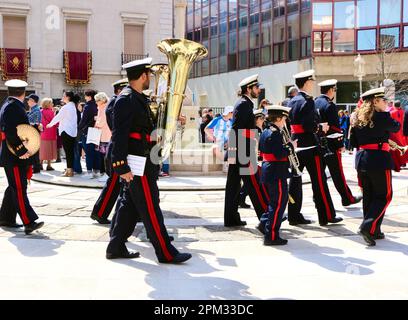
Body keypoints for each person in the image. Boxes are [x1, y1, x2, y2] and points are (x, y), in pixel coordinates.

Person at [107, 58, 190, 263]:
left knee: (130, 206)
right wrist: (121, 165)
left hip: (143, 159)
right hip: (137, 163)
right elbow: (119, 135)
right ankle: (166, 252)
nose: (150, 79)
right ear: (143, 76)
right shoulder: (126, 99)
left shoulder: (137, 98)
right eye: (149, 75)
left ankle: (115, 246)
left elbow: (145, 128)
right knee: (151, 207)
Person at [288, 70, 342, 226]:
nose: (313, 84)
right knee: (319, 183)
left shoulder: (291, 101)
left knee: (295, 182)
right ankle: (326, 215)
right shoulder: (308, 101)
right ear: (306, 82)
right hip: (311, 147)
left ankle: (293, 215)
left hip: (297, 146)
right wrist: (320, 127)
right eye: (311, 81)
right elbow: (308, 125)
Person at [350, 87, 400, 246]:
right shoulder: (383, 116)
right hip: (378, 159)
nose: (386, 103)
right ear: (375, 101)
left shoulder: (357, 118)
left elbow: (353, 143)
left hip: (363, 159)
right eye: (383, 100)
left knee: (369, 197)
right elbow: (396, 127)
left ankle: (374, 230)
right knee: (384, 195)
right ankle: (367, 227)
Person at [224, 74, 269, 227]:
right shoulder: (244, 104)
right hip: (242, 147)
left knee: (234, 186)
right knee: (254, 185)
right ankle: (266, 218)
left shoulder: (243, 103)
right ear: (249, 89)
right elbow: (239, 129)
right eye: (256, 87)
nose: (258, 90)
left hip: (237, 147)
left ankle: (231, 218)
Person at [0, 79, 44, 234]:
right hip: (14, 155)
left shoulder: (10, 105)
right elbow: (11, 131)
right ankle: (29, 221)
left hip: (11, 154)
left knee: (13, 187)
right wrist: (21, 151)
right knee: (19, 187)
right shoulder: (13, 107)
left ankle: (5, 217)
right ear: (23, 93)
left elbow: (18, 128)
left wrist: (32, 127)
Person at [315, 79, 362, 207]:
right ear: (330, 90)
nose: (334, 92)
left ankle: (317, 197)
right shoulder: (329, 105)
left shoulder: (314, 103)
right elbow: (335, 128)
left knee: (319, 175)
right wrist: (340, 144)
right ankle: (347, 198)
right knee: (337, 174)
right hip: (330, 145)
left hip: (318, 144)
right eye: (335, 90)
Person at [91, 79, 128, 225]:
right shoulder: (115, 103)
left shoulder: (114, 102)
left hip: (116, 146)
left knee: (116, 183)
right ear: (119, 89)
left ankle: (101, 212)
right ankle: (99, 213)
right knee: (113, 183)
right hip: (116, 147)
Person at [258, 105, 296, 245]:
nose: (285, 121)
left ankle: (264, 223)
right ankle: (271, 235)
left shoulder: (266, 131)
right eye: (284, 118)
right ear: (279, 118)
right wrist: (291, 146)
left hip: (270, 169)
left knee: (275, 202)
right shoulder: (275, 133)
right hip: (276, 171)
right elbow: (280, 153)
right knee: (279, 203)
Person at [47, 91, 78, 177]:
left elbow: (58, 117)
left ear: (67, 97)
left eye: (63, 96)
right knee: (70, 152)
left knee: (68, 152)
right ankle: (69, 169)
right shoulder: (73, 106)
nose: (62, 97)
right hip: (72, 132)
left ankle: (69, 171)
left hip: (66, 131)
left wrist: (50, 124)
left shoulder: (66, 107)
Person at [78, 90, 100, 179]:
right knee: (95, 151)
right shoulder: (97, 105)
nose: (85, 97)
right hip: (96, 130)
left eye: (86, 96)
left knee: (88, 152)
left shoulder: (87, 106)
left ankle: (89, 172)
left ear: (89, 96)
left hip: (87, 131)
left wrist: (79, 128)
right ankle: (96, 171)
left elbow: (84, 120)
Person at [94, 92, 111, 182]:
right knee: (104, 154)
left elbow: (102, 121)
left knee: (105, 155)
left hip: (105, 134)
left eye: (97, 100)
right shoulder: (102, 107)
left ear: (102, 100)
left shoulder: (103, 108)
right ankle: (104, 172)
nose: (96, 102)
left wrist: (96, 122)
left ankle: (106, 173)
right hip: (105, 134)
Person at [39, 98, 57, 171]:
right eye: (51, 103)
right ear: (48, 104)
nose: (52, 104)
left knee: (43, 149)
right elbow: (54, 122)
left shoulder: (40, 111)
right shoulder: (50, 112)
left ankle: (40, 164)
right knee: (50, 149)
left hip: (42, 133)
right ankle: (49, 165)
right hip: (51, 133)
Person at [389, 101, 407, 171]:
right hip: (402, 132)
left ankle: (398, 162)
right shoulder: (404, 112)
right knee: (403, 146)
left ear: (394, 105)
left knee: (395, 148)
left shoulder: (391, 113)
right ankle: (403, 162)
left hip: (394, 133)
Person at [26, 94, 42, 173]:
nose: (27, 101)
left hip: (34, 131)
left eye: (28, 100)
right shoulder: (33, 109)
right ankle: (35, 167)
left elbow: (31, 121)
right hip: (33, 131)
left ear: (32, 101)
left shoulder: (36, 110)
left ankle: (36, 167)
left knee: (34, 150)